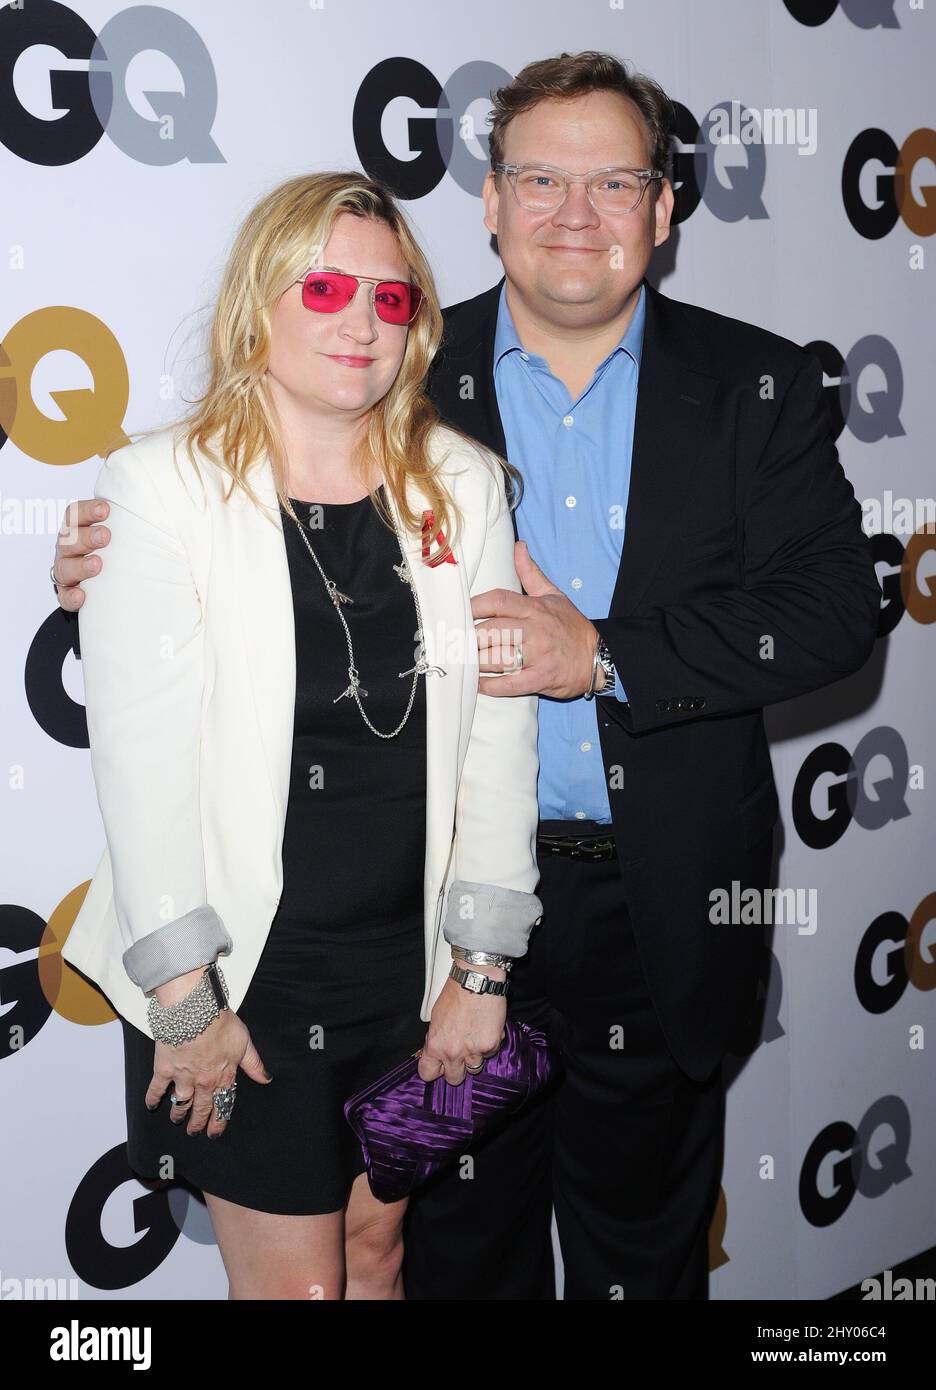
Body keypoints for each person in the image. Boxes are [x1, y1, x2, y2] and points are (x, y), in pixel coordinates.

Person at [55, 51, 881, 1301]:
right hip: (423, 935)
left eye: (616, 183)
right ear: (488, 201)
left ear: (665, 209)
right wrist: (108, 570)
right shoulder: (393, 374)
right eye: (540, 177)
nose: (574, 212)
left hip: (643, 920)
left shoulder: (754, 389)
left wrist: (600, 653)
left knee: (640, 1259)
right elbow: (230, 536)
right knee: (439, 1259)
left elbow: (836, 612)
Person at [56, 170, 543, 1300]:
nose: (361, 321)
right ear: (258, 301)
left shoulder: (462, 486)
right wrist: (187, 1003)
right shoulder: (158, 487)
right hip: (237, 972)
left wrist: (479, 965)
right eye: (324, 286)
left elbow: (497, 736)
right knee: (297, 1290)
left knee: (376, 1254)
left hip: (413, 960)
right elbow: (140, 765)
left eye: (391, 298)